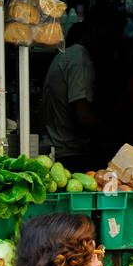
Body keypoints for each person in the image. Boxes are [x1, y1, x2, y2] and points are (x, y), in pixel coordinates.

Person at [41, 18, 107, 172]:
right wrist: (110, 133)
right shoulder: (80, 59)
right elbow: (82, 115)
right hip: (70, 154)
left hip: (57, 149)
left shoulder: (64, 56)